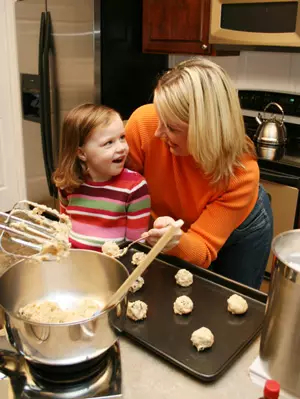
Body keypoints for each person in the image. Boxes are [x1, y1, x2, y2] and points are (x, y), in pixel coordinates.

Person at [125, 57, 273, 289]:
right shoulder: (144, 123)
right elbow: (118, 187)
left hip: (240, 230)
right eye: (160, 117)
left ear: (207, 130)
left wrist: (175, 240)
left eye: (172, 128)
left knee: (232, 302)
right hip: (175, 220)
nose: (158, 133)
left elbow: (202, 248)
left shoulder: (241, 173)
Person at [53, 103, 151, 251]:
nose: (121, 148)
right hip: (75, 259)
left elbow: (135, 246)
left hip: (112, 266)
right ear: (81, 153)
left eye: (122, 137)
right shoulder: (68, 183)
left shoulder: (134, 187)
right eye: (109, 143)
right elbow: (65, 224)